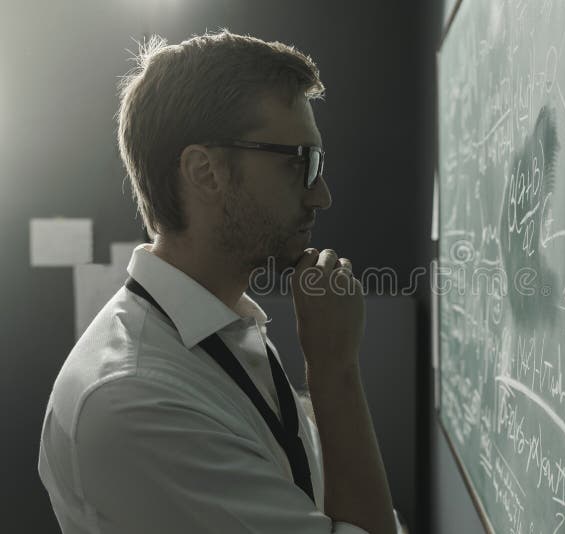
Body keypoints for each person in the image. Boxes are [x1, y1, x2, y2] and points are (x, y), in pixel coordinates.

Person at [37, 29, 400, 534]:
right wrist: (335, 370)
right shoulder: (135, 401)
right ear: (206, 172)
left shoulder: (222, 326)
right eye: (301, 163)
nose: (321, 196)